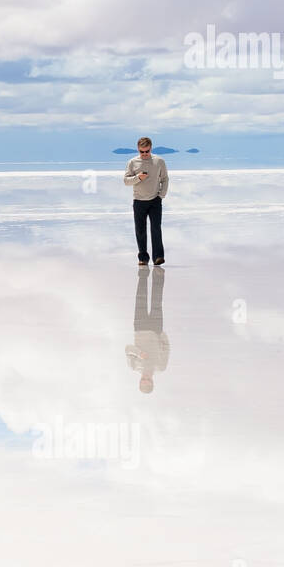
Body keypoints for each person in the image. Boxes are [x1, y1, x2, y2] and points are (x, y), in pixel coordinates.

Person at [123, 136, 169, 266]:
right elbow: (126, 181)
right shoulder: (132, 162)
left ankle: (158, 257)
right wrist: (138, 177)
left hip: (155, 200)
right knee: (140, 230)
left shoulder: (159, 161)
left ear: (151, 148)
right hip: (139, 201)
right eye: (141, 152)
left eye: (147, 151)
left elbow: (165, 179)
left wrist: (161, 195)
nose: (144, 154)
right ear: (138, 150)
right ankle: (143, 258)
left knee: (156, 228)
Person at [127, 266, 170, 394]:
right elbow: (166, 348)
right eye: (148, 380)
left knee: (141, 297)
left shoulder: (133, 366)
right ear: (152, 381)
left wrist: (139, 354)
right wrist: (160, 333)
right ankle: (159, 275)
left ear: (140, 380)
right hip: (156, 328)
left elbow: (128, 349)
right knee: (157, 299)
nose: (145, 377)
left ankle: (143, 273)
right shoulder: (160, 367)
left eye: (143, 379)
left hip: (140, 328)